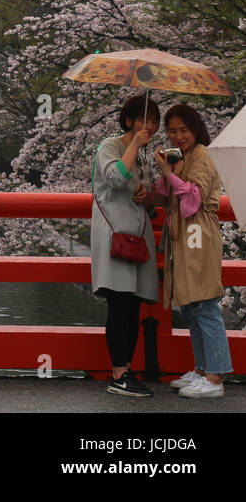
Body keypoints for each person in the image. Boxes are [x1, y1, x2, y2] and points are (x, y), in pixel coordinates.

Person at [150, 103, 231, 399]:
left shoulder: (203, 157)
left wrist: (170, 173)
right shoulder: (183, 158)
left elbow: (192, 200)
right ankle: (201, 368)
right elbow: (163, 196)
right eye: (172, 131)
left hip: (198, 231)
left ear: (195, 129)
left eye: (183, 130)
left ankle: (215, 375)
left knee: (204, 303)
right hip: (183, 234)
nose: (177, 136)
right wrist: (166, 172)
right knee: (190, 305)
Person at [90, 94, 160, 397]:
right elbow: (116, 178)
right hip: (115, 237)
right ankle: (118, 373)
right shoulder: (109, 146)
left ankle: (126, 369)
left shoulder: (143, 154)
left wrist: (149, 199)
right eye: (144, 119)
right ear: (129, 120)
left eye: (155, 121)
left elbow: (142, 192)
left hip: (137, 238)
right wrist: (134, 144)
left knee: (132, 306)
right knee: (119, 304)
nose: (150, 126)